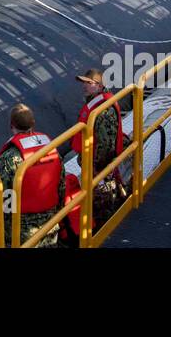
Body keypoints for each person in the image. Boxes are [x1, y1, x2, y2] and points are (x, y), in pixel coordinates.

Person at [0, 103, 64, 248]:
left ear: (12, 126)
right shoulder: (50, 148)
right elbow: (61, 185)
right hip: (50, 225)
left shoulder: (8, 159)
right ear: (33, 124)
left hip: (20, 232)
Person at [62, 67, 127, 242]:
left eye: (88, 83)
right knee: (99, 199)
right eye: (83, 83)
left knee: (101, 202)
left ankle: (102, 235)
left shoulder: (102, 109)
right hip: (93, 164)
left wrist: (97, 167)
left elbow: (106, 143)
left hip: (98, 167)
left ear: (98, 85)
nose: (84, 86)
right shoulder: (97, 103)